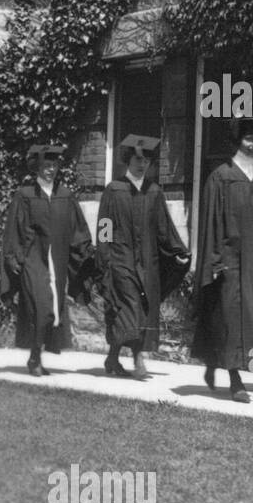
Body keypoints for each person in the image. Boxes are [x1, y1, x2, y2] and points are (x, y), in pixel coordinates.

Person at [191, 118, 253, 402]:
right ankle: (235, 380)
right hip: (229, 262)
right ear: (238, 141)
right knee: (229, 320)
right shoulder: (221, 176)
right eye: (250, 138)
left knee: (252, 321)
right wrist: (214, 262)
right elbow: (211, 224)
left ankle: (231, 369)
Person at [96, 136, 191, 380]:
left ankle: (112, 357)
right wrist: (105, 257)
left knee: (143, 307)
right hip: (121, 259)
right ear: (129, 159)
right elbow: (105, 226)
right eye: (138, 158)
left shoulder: (154, 192)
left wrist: (179, 251)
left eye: (147, 159)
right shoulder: (113, 190)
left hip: (148, 262)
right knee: (131, 305)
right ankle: (138, 359)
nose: (143, 164)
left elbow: (164, 228)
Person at [0, 145, 94, 376]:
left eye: (54, 166)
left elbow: (78, 228)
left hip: (57, 260)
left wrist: (88, 250)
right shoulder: (25, 195)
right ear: (37, 168)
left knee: (52, 310)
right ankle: (34, 357)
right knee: (41, 306)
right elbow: (13, 229)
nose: (51, 170)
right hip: (33, 259)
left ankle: (36, 356)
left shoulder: (65, 195)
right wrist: (14, 257)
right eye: (46, 166)